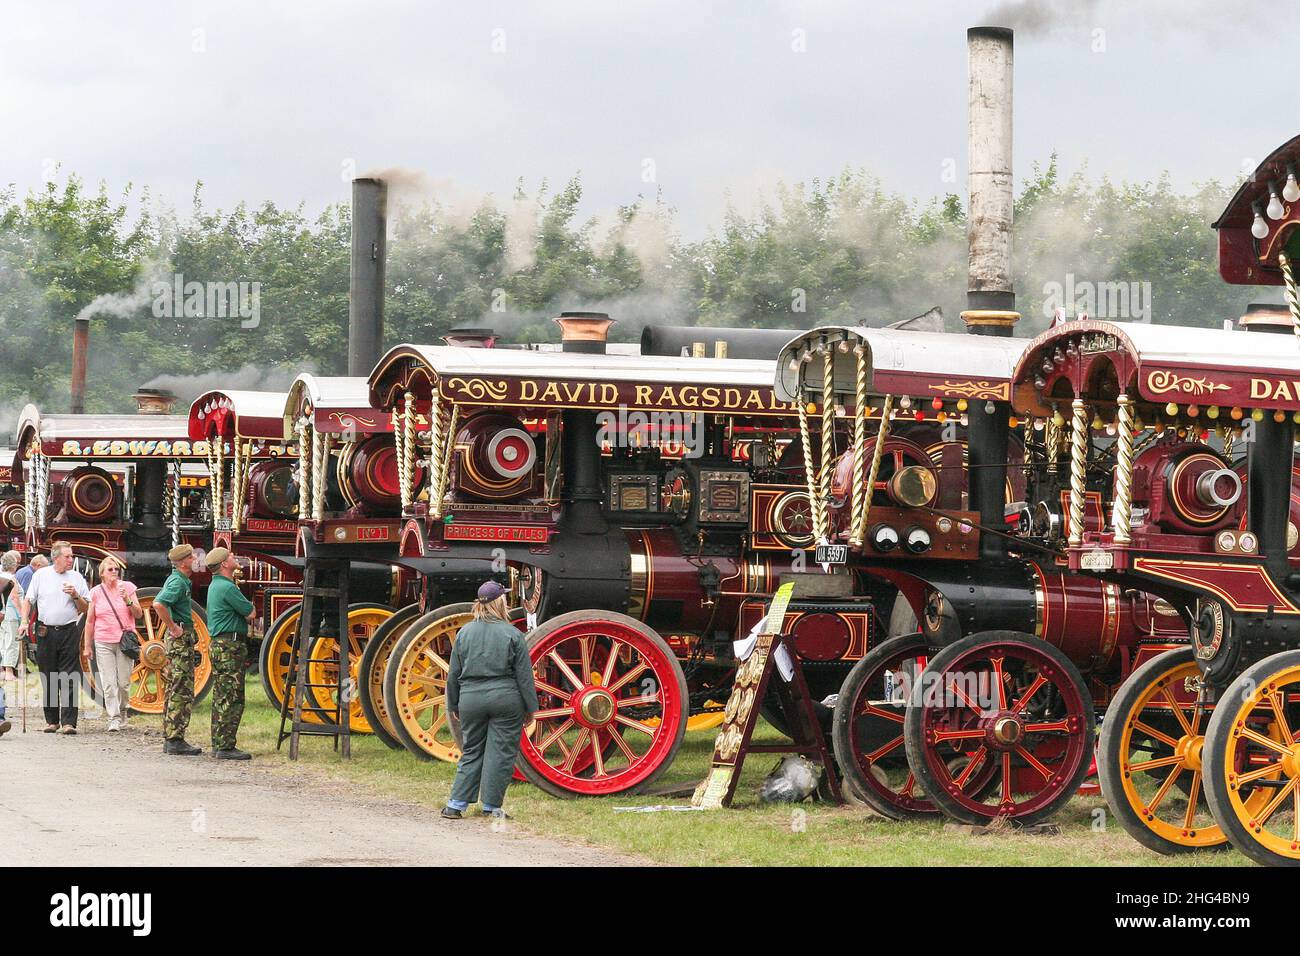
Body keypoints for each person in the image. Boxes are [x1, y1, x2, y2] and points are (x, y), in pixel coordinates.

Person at [442, 580, 538, 820]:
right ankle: (492, 807)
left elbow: (453, 673)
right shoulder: (513, 634)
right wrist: (530, 708)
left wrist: (453, 704)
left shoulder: (464, 633)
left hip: (471, 698)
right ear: (501, 602)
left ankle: (456, 804)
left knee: (472, 749)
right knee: (501, 752)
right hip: (506, 699)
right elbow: (524, 677)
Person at [18, 542, 90, 734]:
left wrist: (75, 595)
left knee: (69, 676)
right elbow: (28, 600)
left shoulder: (76, 577)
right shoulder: (41, 575)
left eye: (72, 556)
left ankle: (69, 723)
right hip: (45, 631)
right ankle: (52, 721)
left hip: (69, 630)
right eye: (68, 556)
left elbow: (86, 608)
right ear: (56, 557)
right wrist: (24, 621)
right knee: (48, 675)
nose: (71, 560)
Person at [202, 547, 255, 760]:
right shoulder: (227, 587)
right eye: (231, 556)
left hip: (220, 644)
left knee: (221, 694)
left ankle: (219, 742)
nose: (234, 558)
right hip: (230, 645)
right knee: (232, 696)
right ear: (224, 564)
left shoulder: (216, 585)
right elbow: (250, 612)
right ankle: (225, 746)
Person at [82, 556, 143, 732]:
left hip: (124, 642)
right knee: (109, 683)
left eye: (116, 569)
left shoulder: (128, 588)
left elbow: (138, 614)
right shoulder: (95, 592)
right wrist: (87, 646)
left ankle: (123, 710)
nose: (114, 572)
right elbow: (90, 621)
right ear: (102, 573)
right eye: (110, 569)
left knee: (123, 683)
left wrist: (128, 600)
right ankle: (113, 718)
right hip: (103, 641)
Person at [153, 543, 200, 755]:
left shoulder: (180, 580)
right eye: (191, 557)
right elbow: (158, 604)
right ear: (182, 563)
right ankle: (174, 739)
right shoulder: (178, 582)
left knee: (176, 685)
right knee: (181, 687)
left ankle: (172, 736)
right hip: (180, 638)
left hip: (181, 637)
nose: (195, 559)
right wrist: (173, 627)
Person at [0, 550, 21, 681]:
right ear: (14, 565)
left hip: (3, 614)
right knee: (12, 642)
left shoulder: (1, 577)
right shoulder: (11, 579)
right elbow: (15, 598)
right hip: (12, 615)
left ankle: (2, 670)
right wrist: (23, 615)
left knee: (2, 642)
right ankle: (9, 672)